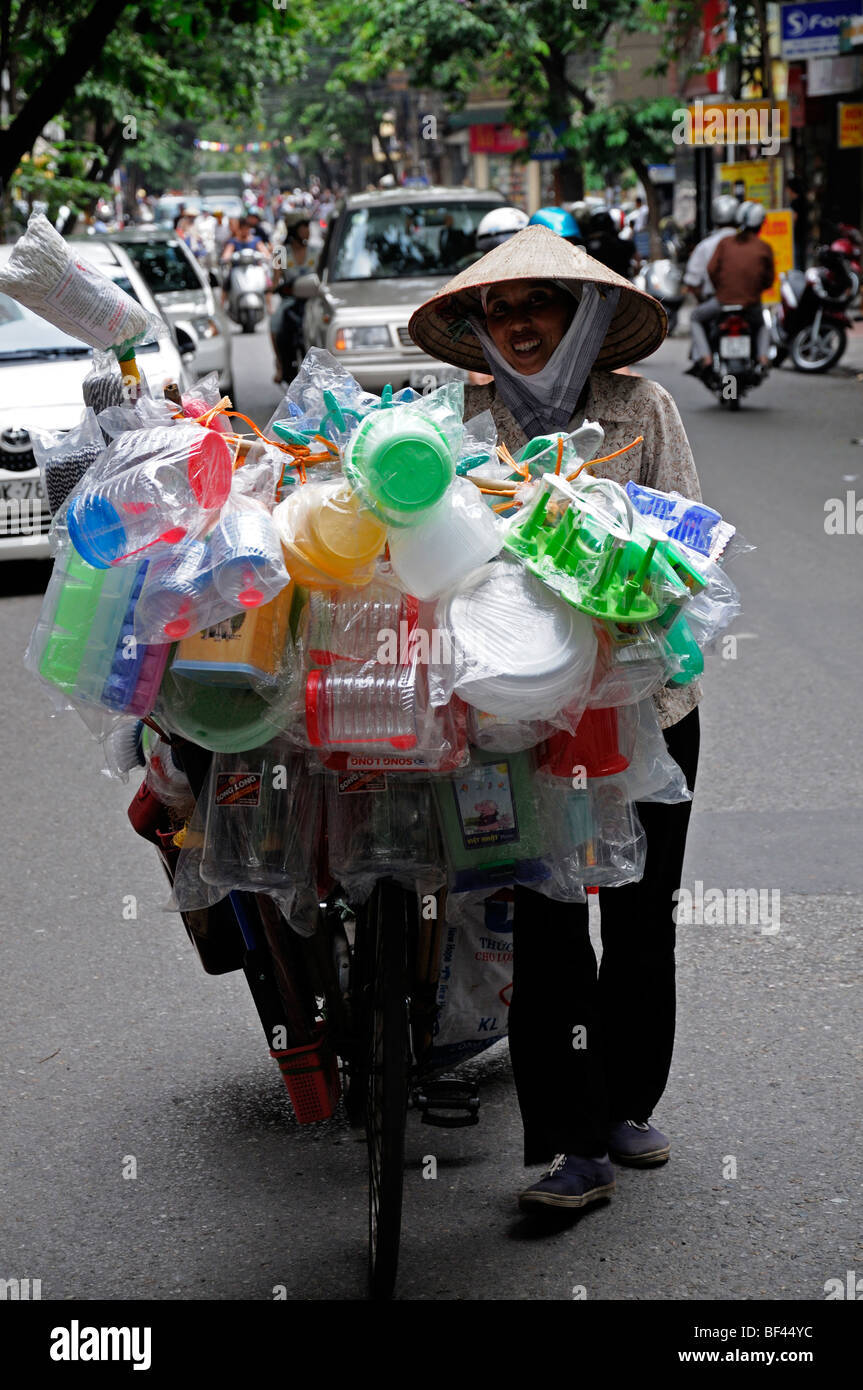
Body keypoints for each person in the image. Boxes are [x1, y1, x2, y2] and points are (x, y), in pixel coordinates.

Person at [408, 226, 701, 1212]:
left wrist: (611, 584)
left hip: (645, 711)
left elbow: (687, 550)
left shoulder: (638, 406)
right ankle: (569, 1146)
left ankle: (622, 1101)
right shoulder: (457, 422)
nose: (520, 324)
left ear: (578, 314)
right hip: (512, 721)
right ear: (479, 327)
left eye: (539, 304)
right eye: (500, 308)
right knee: (540, 918)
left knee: (637, 912)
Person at [689, 201, 774, 375]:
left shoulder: (725, 243)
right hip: (751, 305)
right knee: (763, 324)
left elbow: (711, 270)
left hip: (721, 301)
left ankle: (705, 357)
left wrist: (721, 289)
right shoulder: (764, 247)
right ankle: (763, 358)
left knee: (695, 317)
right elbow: (768, 280)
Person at [270, 213, 317, 385]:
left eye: (308, 226)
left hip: (313, 300)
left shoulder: (317, 251)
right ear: (293, 230)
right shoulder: (280, 252)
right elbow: (275, 280)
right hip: (291, 299)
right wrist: (273, 288)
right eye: (303, 227)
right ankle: (280, 363)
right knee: (274, 323)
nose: (307, 231)